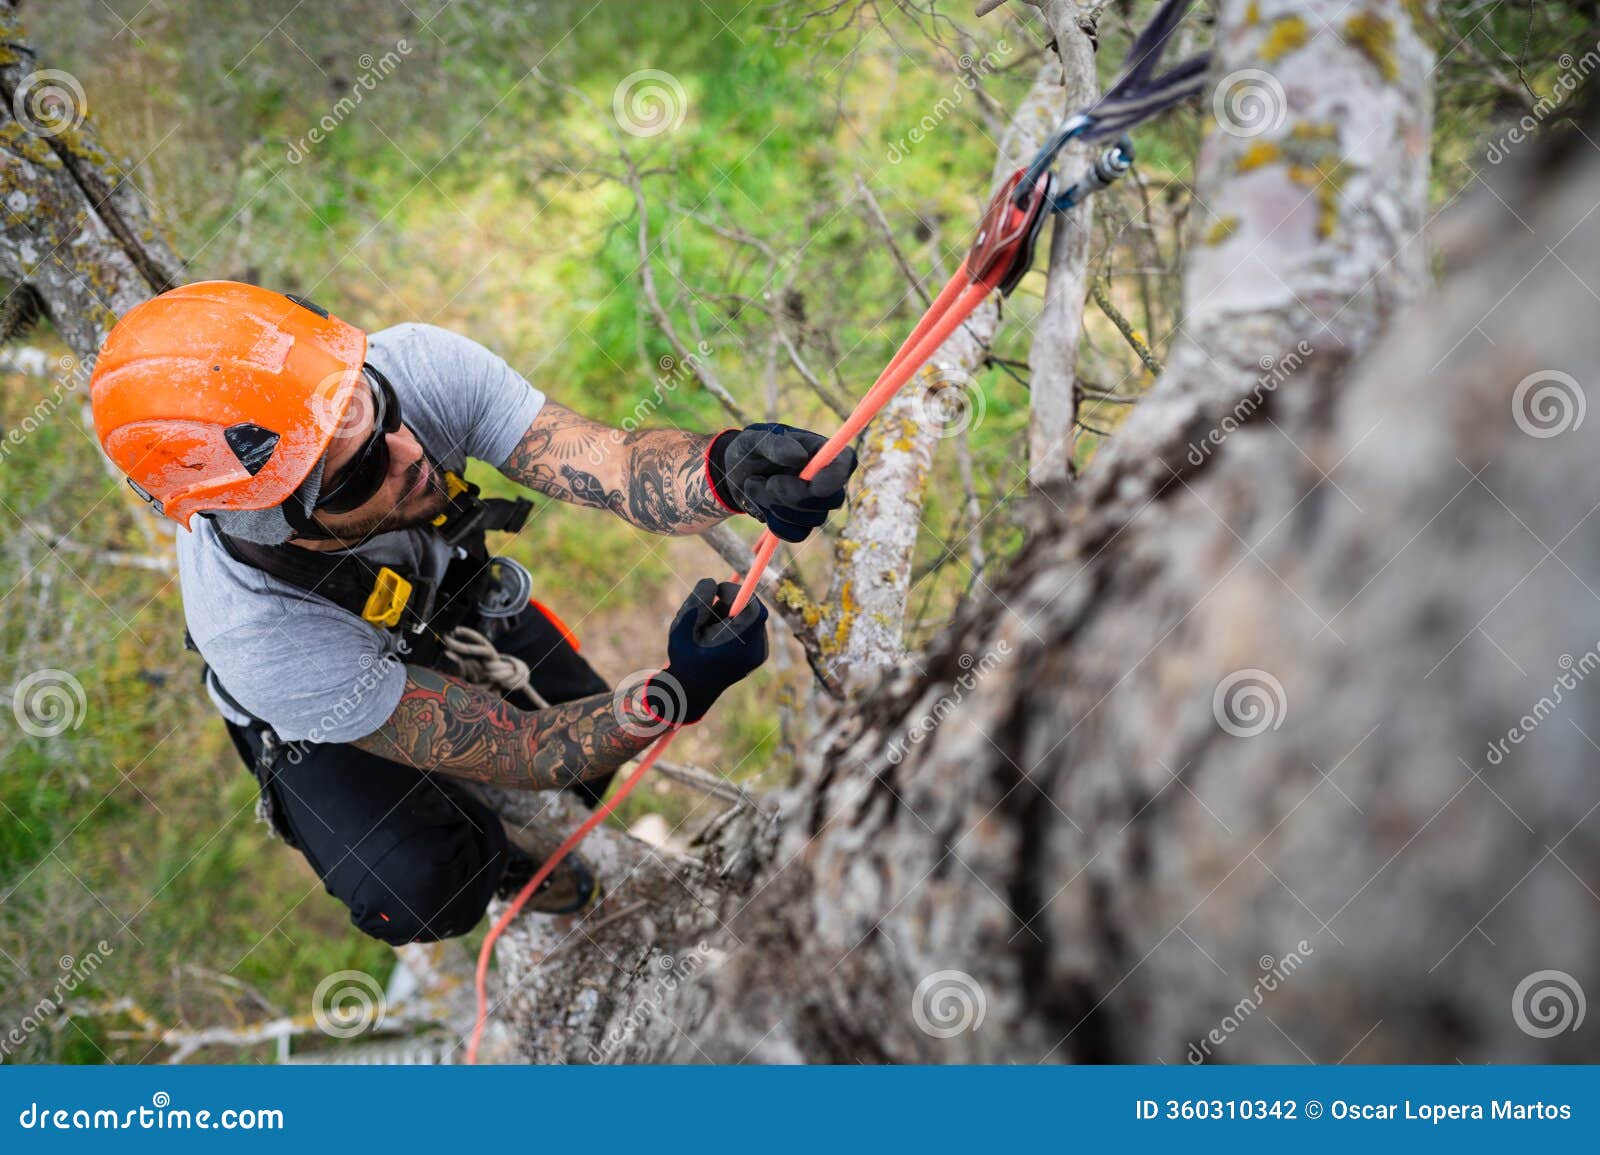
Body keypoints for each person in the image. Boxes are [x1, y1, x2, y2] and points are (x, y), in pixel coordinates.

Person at [88, 281, 856, 945]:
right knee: (421, 884)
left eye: (374, 406)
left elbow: (612, 466)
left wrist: (726, 470)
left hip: (441, 598)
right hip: (321, 713)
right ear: (275, 522)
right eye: (357, 475)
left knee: (591, 774)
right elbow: (520, 750)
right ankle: (507, 869)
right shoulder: (262, 637)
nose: (408, 450)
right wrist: (672, 697)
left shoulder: (414, 367)